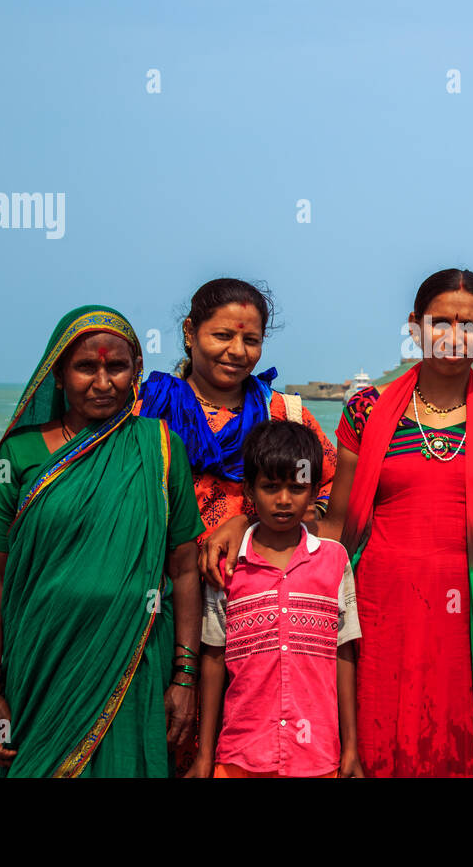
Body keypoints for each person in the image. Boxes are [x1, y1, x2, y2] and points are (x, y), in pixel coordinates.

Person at [0, 305, 205, 777]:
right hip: (39, 666)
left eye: (116, 366)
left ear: (136, 371)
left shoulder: (159, 447)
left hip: (134, 663)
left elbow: (183, 568)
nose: (103, 382)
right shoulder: (20, 455)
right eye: (85, 367)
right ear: (57, 375)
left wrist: (185, 675)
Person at [320, 268, 473, 777]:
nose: (454, 336)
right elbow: (335, 530)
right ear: (414, 327)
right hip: (377, 622)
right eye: (440, 321)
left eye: (470, 324)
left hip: (471, 629)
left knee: (463, 750)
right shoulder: (367, 412)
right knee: (376, 751)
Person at [137, 277, 338, 775]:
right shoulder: (144, 411)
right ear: (189, 332)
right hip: (157, 617)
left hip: (258, 631)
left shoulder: (285, 415)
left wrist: (246, 521)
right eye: (222, 336)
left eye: (250, 340)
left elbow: (331, 511)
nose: (237, 351)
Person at [187, 420, 362, 778]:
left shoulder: (334, 560)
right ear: (249, 491)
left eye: (296, 488)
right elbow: (214, 657)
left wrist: (352, 748)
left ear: (315, 492)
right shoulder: (228, 567)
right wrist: (205, 755)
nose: (283, 500)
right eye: (270, 487)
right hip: (240, 756)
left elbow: (344, 654)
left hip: (318, 757)